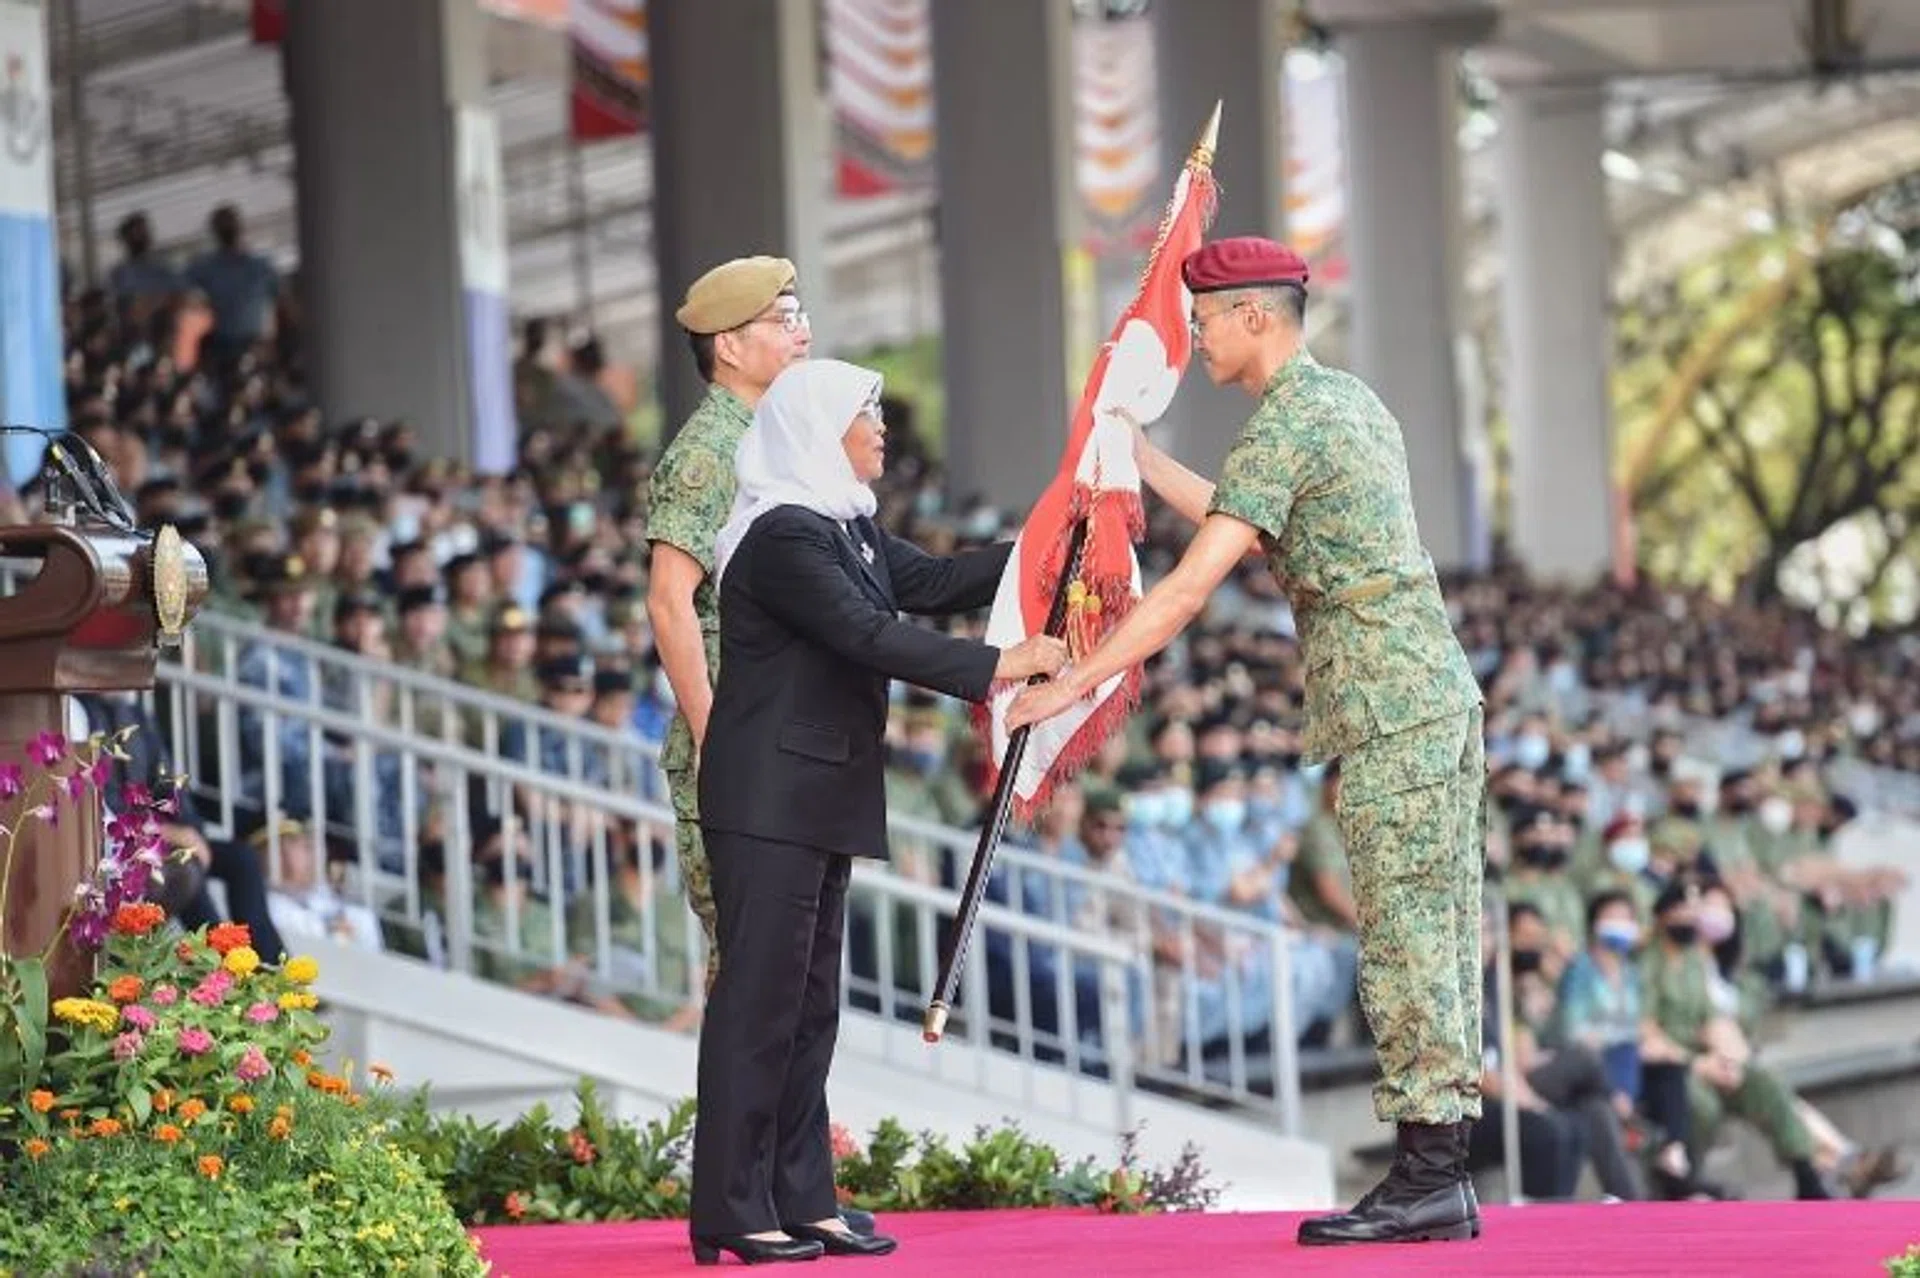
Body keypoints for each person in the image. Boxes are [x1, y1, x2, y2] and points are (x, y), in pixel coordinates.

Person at [1007, 236, 1487, 1246]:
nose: (1200, 337)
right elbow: (1256, 528)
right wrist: (1138, 460)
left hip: (1390, 705)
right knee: (1432, 926)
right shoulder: (1344, 401)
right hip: (1427, 693)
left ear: (1256, 317)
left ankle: (1429, 1175)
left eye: (1211, 319)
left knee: (1404, 933)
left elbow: (1190, 585)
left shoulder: (1284, 425)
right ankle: (1440, 1167)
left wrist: (1075, 680)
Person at [688, 359, 1065, 1266]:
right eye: (866, 412)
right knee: (761, 1007)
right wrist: (997, 668)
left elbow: (934, 584)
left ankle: (801, 1195)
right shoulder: (782, 536)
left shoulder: (843, 527)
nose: (883, 428)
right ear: (818, 427)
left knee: (811, 1007)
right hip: (769, 799)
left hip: (817, 795)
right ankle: (735, 1210)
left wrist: (1055, 546)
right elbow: (868, 636)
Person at [644, 255, 811, 1009]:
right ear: (729, 348)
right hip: (735, 728)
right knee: (748, 972)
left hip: (774, 721)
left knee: (785, 975)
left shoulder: (771, 439)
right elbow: (669, 602)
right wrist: (719, 736)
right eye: (783, 320)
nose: (801, 332)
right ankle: (734, 1132)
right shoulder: (709, 453)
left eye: (800, 315)